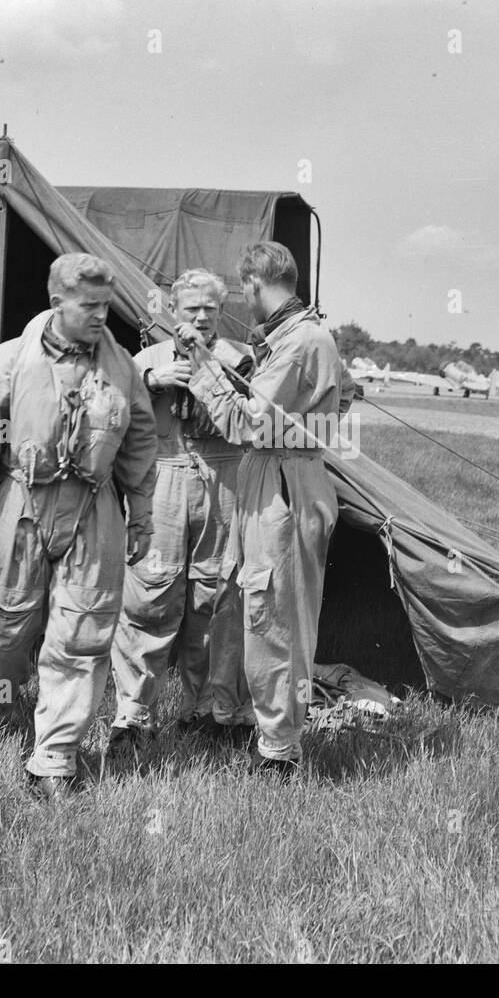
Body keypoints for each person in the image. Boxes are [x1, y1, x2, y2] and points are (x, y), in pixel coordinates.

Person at [0, 254, 157, 798]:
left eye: (106, 306)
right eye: (89, 306)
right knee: (6, 630)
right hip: (20, 504)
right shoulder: (10, 360)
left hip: (94, 508)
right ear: (56, 303)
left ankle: (55, 756)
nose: (100, 317)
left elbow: (139, 445)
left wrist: (143, 517)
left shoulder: (122, 367)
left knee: (82, 634)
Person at [178, 241, 354, 774]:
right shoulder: (303, 336)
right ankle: (264, 728)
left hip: (281, 482)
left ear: (254, 285)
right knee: (262, 604)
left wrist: (200, 366)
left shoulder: (299, 342)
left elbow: (244, 423)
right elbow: (346, 395)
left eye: (243, 292)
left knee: (272, 614)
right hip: (284, 473)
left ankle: (279, 751)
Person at [109, 269, 254, 750]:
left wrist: (207, 362)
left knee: (214, 598)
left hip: (223, 478)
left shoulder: (241, 357)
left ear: (221, 309)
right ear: (172, 310)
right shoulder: (143, 360)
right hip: (164, 476)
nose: (201, 317)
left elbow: (246, 418)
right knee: (149, 593)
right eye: (191, 309)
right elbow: (112, 409)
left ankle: (212, 710)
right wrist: (152, 380)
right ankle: (132, 714)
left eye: (210, 309)